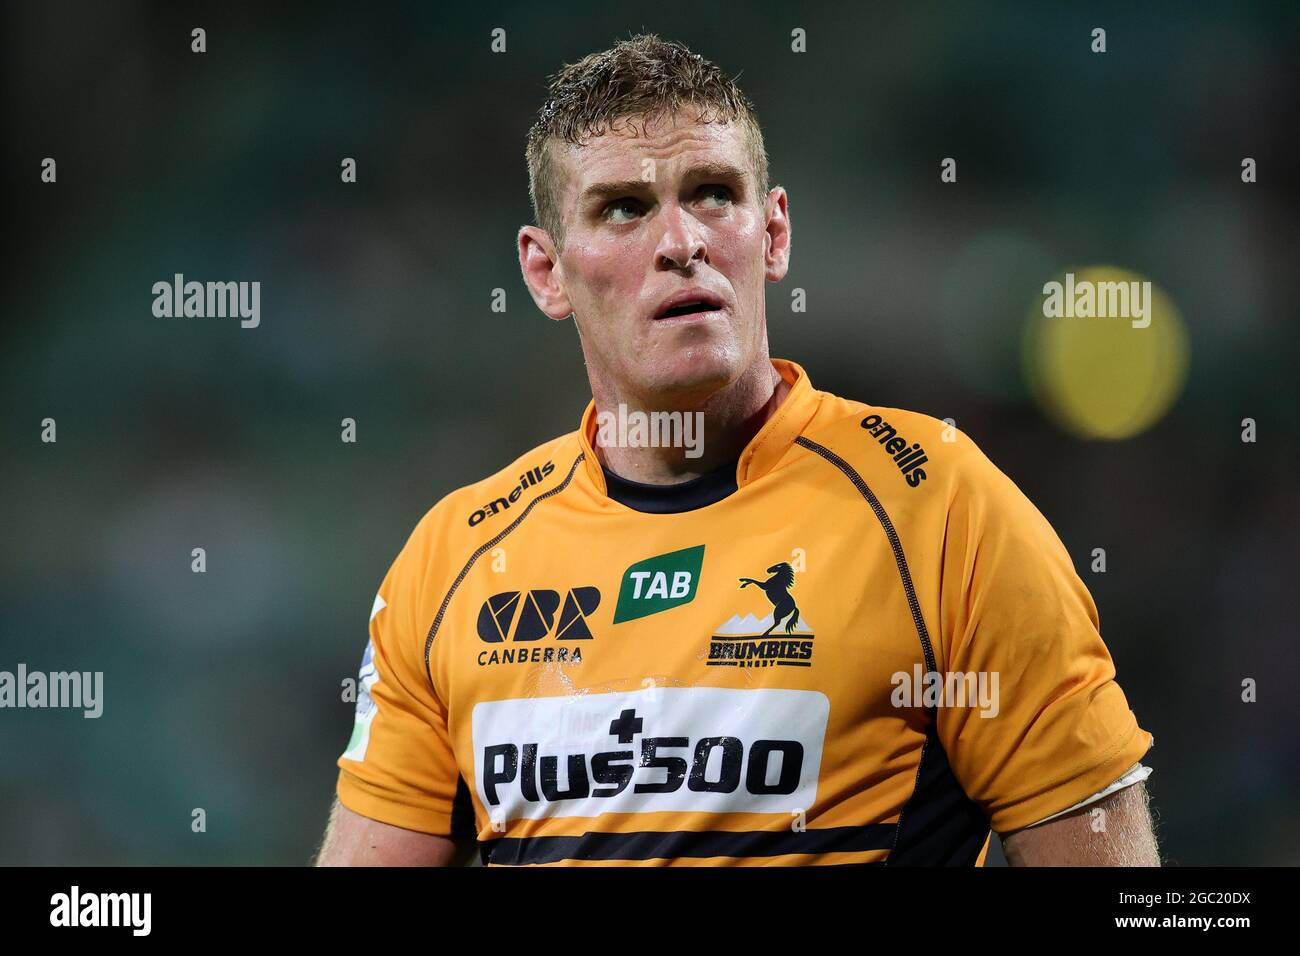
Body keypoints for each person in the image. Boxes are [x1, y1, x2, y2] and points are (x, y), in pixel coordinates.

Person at [316, 34, 1158, 866]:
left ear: (775, 231)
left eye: (713, 193)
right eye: (623, 207)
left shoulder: (942, 508)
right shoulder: (453, 560)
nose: (681, 241)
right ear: (547, 274)